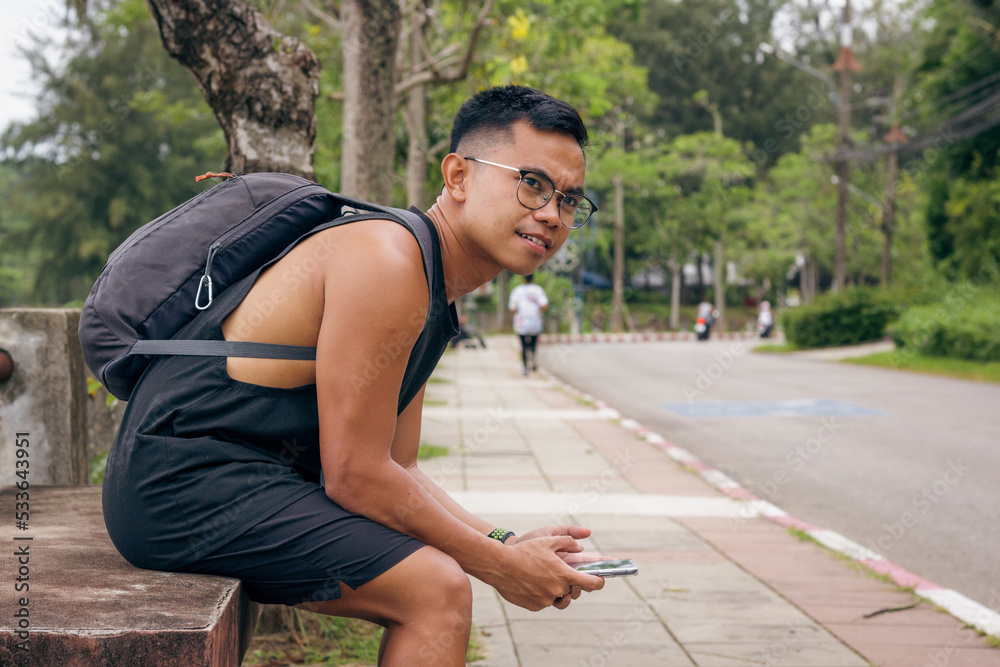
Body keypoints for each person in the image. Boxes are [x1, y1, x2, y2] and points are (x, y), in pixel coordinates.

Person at [101, 85, 604, 666]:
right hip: (180, 485)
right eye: (533, 183)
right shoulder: (389, 260)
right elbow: (355, 477)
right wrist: (497, 566)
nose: (551, 213)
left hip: (242, 481)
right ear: (459, 176)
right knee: (437, 591)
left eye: (569, 200)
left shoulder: (433, 287)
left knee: (441, 575)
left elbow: (398, 467)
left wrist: (504, 541)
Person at [508, 273, 548, 374]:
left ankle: (525, 367)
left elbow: (512, 308)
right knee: (533, 343)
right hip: (535, 321)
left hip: (521, 322)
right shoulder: (538, 290)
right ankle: (533, 357)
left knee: (523, 346)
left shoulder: (517, 291)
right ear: (533, 279)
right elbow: (544, 305)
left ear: (523, 278)